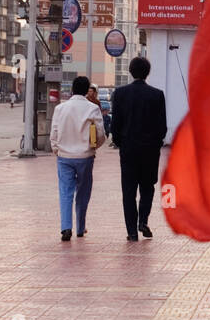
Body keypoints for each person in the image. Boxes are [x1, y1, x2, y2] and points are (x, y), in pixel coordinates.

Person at [110, 56, 167, 241]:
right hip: (150, 150)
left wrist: (120, 142)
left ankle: (131, 232)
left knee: (128, 190)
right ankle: (143, 220)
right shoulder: (157, 95)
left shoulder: (120, 93)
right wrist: (156, 143)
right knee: (147, 187)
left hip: (128, 149)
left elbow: (115, 124)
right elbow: (162, 126)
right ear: (147, 72)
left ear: (130, 71)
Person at [50, 75, 104, 242]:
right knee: (83, 193)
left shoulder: (60, 108)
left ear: (72, 89)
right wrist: (93, 147)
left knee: (65, 192)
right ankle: (80, 227)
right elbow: (101, 134)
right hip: (85, 157)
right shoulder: (92, 109)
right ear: (87, 90)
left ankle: (66, 227)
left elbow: (54, 132)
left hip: (64, 156)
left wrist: (56, 149)